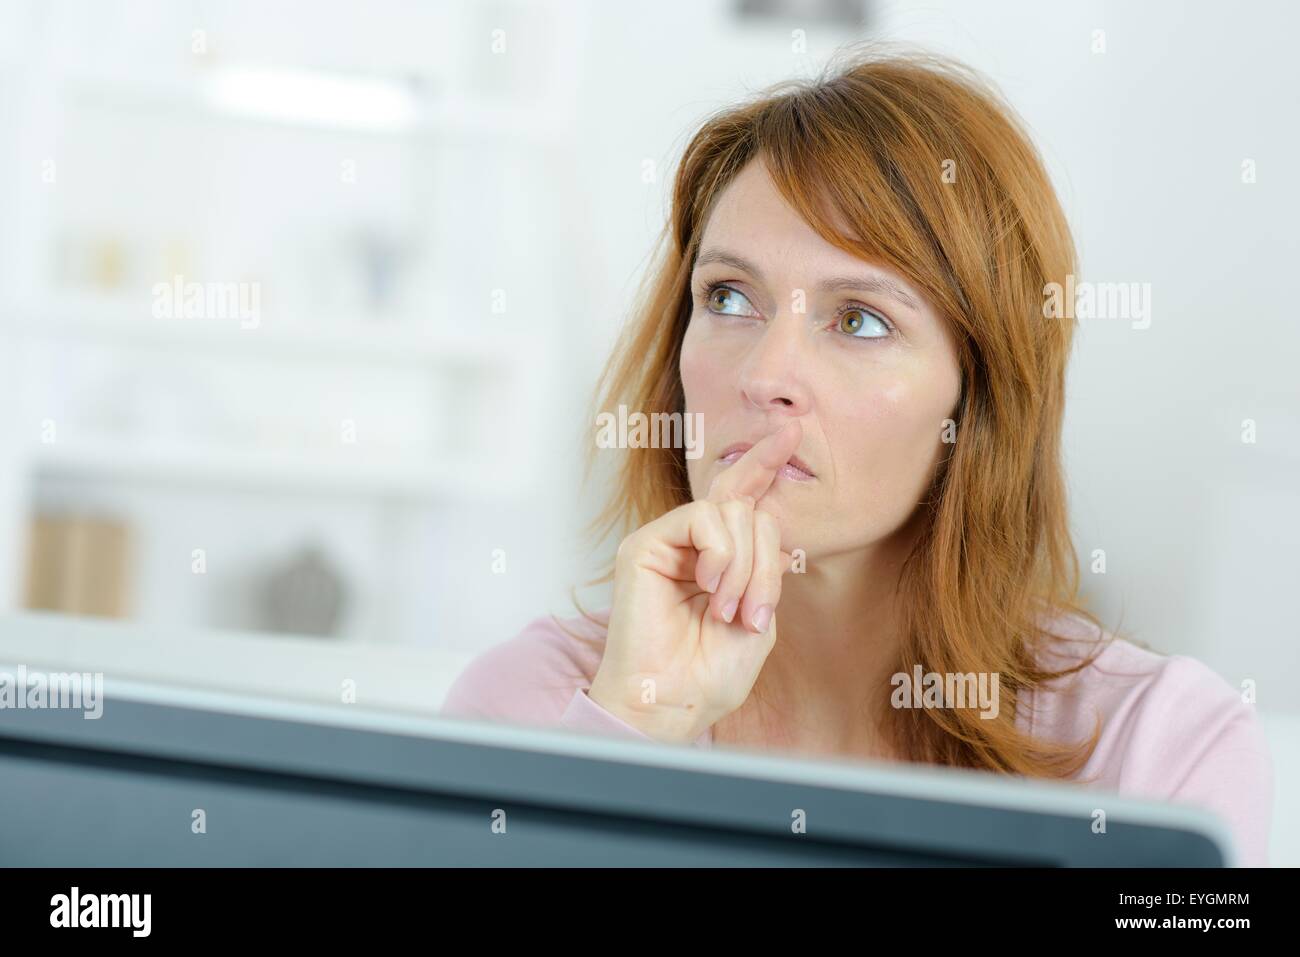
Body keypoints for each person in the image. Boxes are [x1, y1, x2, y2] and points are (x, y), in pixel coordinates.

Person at [442, 44, 1273, 866]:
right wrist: (628, 737)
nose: (765, 376)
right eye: (729, 297)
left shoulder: (1161, 756)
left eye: (859, 320)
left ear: (977, 395)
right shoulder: (533, 711)